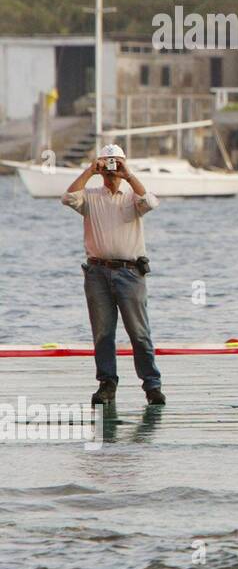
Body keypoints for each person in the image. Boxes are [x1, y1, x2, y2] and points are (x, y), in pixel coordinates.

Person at [61, 144, 165, 406]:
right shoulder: (91, 195)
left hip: (130, 272)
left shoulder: (132, 197)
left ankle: (152, 385)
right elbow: (67, 197)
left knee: (139, 332)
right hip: (97, 271)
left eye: (116, 163)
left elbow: (151, 202)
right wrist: (89, 171)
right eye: (108, 164)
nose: (111, 170)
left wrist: (128, 175)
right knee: (103, 332)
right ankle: (107, 383)